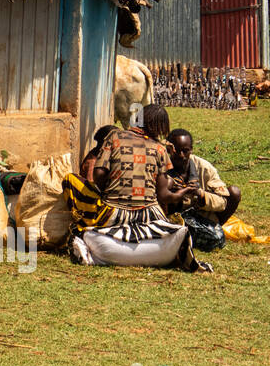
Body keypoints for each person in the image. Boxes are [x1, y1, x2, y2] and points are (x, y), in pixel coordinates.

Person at [66, 105, 207, 271]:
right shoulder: (160, 149)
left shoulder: (114, 136)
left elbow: (98, 174)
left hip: (112, 213)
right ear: (159, 127)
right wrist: (184, 192)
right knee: (177, 225)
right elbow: (164, 196)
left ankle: (88, 237)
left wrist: (106, 191)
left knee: (70, 179)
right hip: (151, 214)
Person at [164, 128, 241, 250]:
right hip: (171, 216)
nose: (182, 156)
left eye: (186, 151)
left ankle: (211, 229)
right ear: (169, 150)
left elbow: (222, 203)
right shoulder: (161, 167)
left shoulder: (204, 167)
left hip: (201, 213)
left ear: (191, 149)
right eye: (177, 151)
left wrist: (199, 194)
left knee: (234, 192)